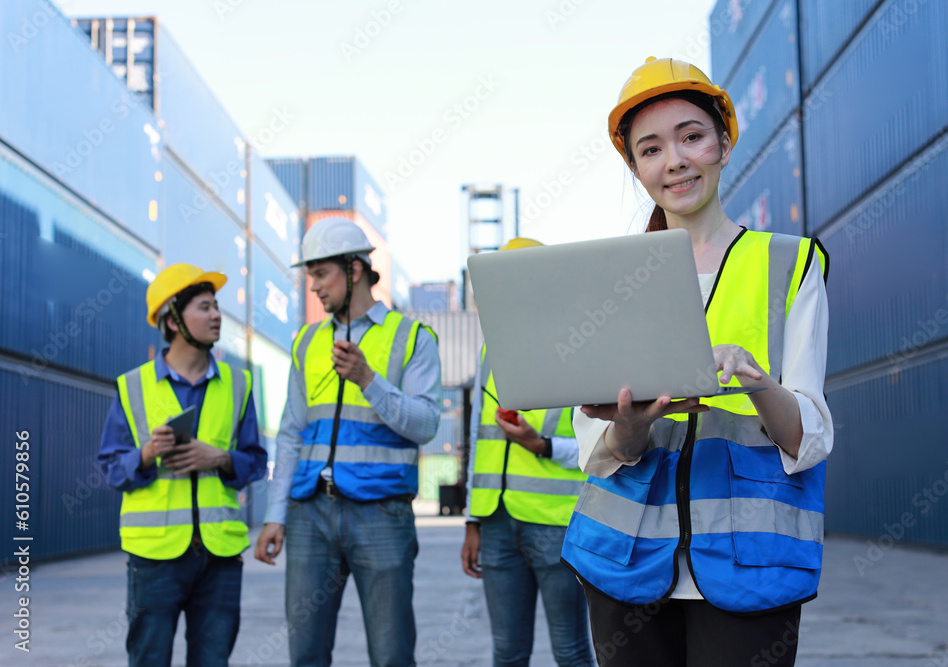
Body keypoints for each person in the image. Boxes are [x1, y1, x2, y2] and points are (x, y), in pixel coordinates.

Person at [560, 57, 834, 667]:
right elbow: (598, 450)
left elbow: (809, 437)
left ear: (723, 143)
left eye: (692, 136)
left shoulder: (791, 264)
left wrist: (755, 379)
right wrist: (630, 423)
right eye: (651, 149)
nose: (675, 160)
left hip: (748, 563)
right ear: (635, 169)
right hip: (624, 562)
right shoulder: (612, 277)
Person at [254, 216, 442, 667]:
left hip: (382, 513)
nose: (314, 287)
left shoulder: (412, 338)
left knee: (392, 654)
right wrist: (274, 515)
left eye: (321, 274)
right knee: (305, 655)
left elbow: (426, 425)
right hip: (309, 514)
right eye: (310, 276)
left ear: (355, 269)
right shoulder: (306, 342)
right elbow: (290, 433)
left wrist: (368, 380)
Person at [98, 263, 267, 667]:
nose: (216, 316)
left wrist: (222, 458)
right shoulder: (133, 386)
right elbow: (109, 466)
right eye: (205, 307)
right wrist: (145, 455)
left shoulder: (238, 385)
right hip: (155, 559)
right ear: (173, 320)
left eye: (216, 307)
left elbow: (256, 462)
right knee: (149, 660)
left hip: (220, 556)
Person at [460, 237, 595, 667]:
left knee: (572, 651)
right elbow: (479, 442)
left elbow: (605, 446)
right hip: (496, 523)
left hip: (557, 524)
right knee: (508, 652)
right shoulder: (489, 352)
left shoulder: (581, 350)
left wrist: (541, 445)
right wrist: (472, 519)